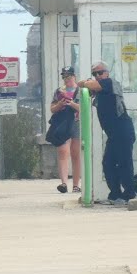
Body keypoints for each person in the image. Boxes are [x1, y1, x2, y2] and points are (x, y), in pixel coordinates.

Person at [77, 61, 136, 205]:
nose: (98, 76)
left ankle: (129, 194)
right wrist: (84, 83)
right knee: (108, 163)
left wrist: (86, 82)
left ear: (107, 73)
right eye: (94, 74)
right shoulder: (100, 88)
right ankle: (115, 194)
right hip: (113, 134)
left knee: (124, 163)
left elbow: (89, 85)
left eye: (100, 72)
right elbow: (80, 84)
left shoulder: (109, 83)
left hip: (122, 130)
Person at [46, 66, 83, 194]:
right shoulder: (59, 91)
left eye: (68, 76)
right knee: (62, 152)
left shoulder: (80, 90)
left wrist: (71, 104)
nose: (66, 79)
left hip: (76, 122)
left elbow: (84, 108)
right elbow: (52, 108)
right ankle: (63, 183)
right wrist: (60, 104)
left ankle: (76, 185)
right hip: (62, 123)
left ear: (74, 76)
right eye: (64, 77)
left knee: (75, 154)